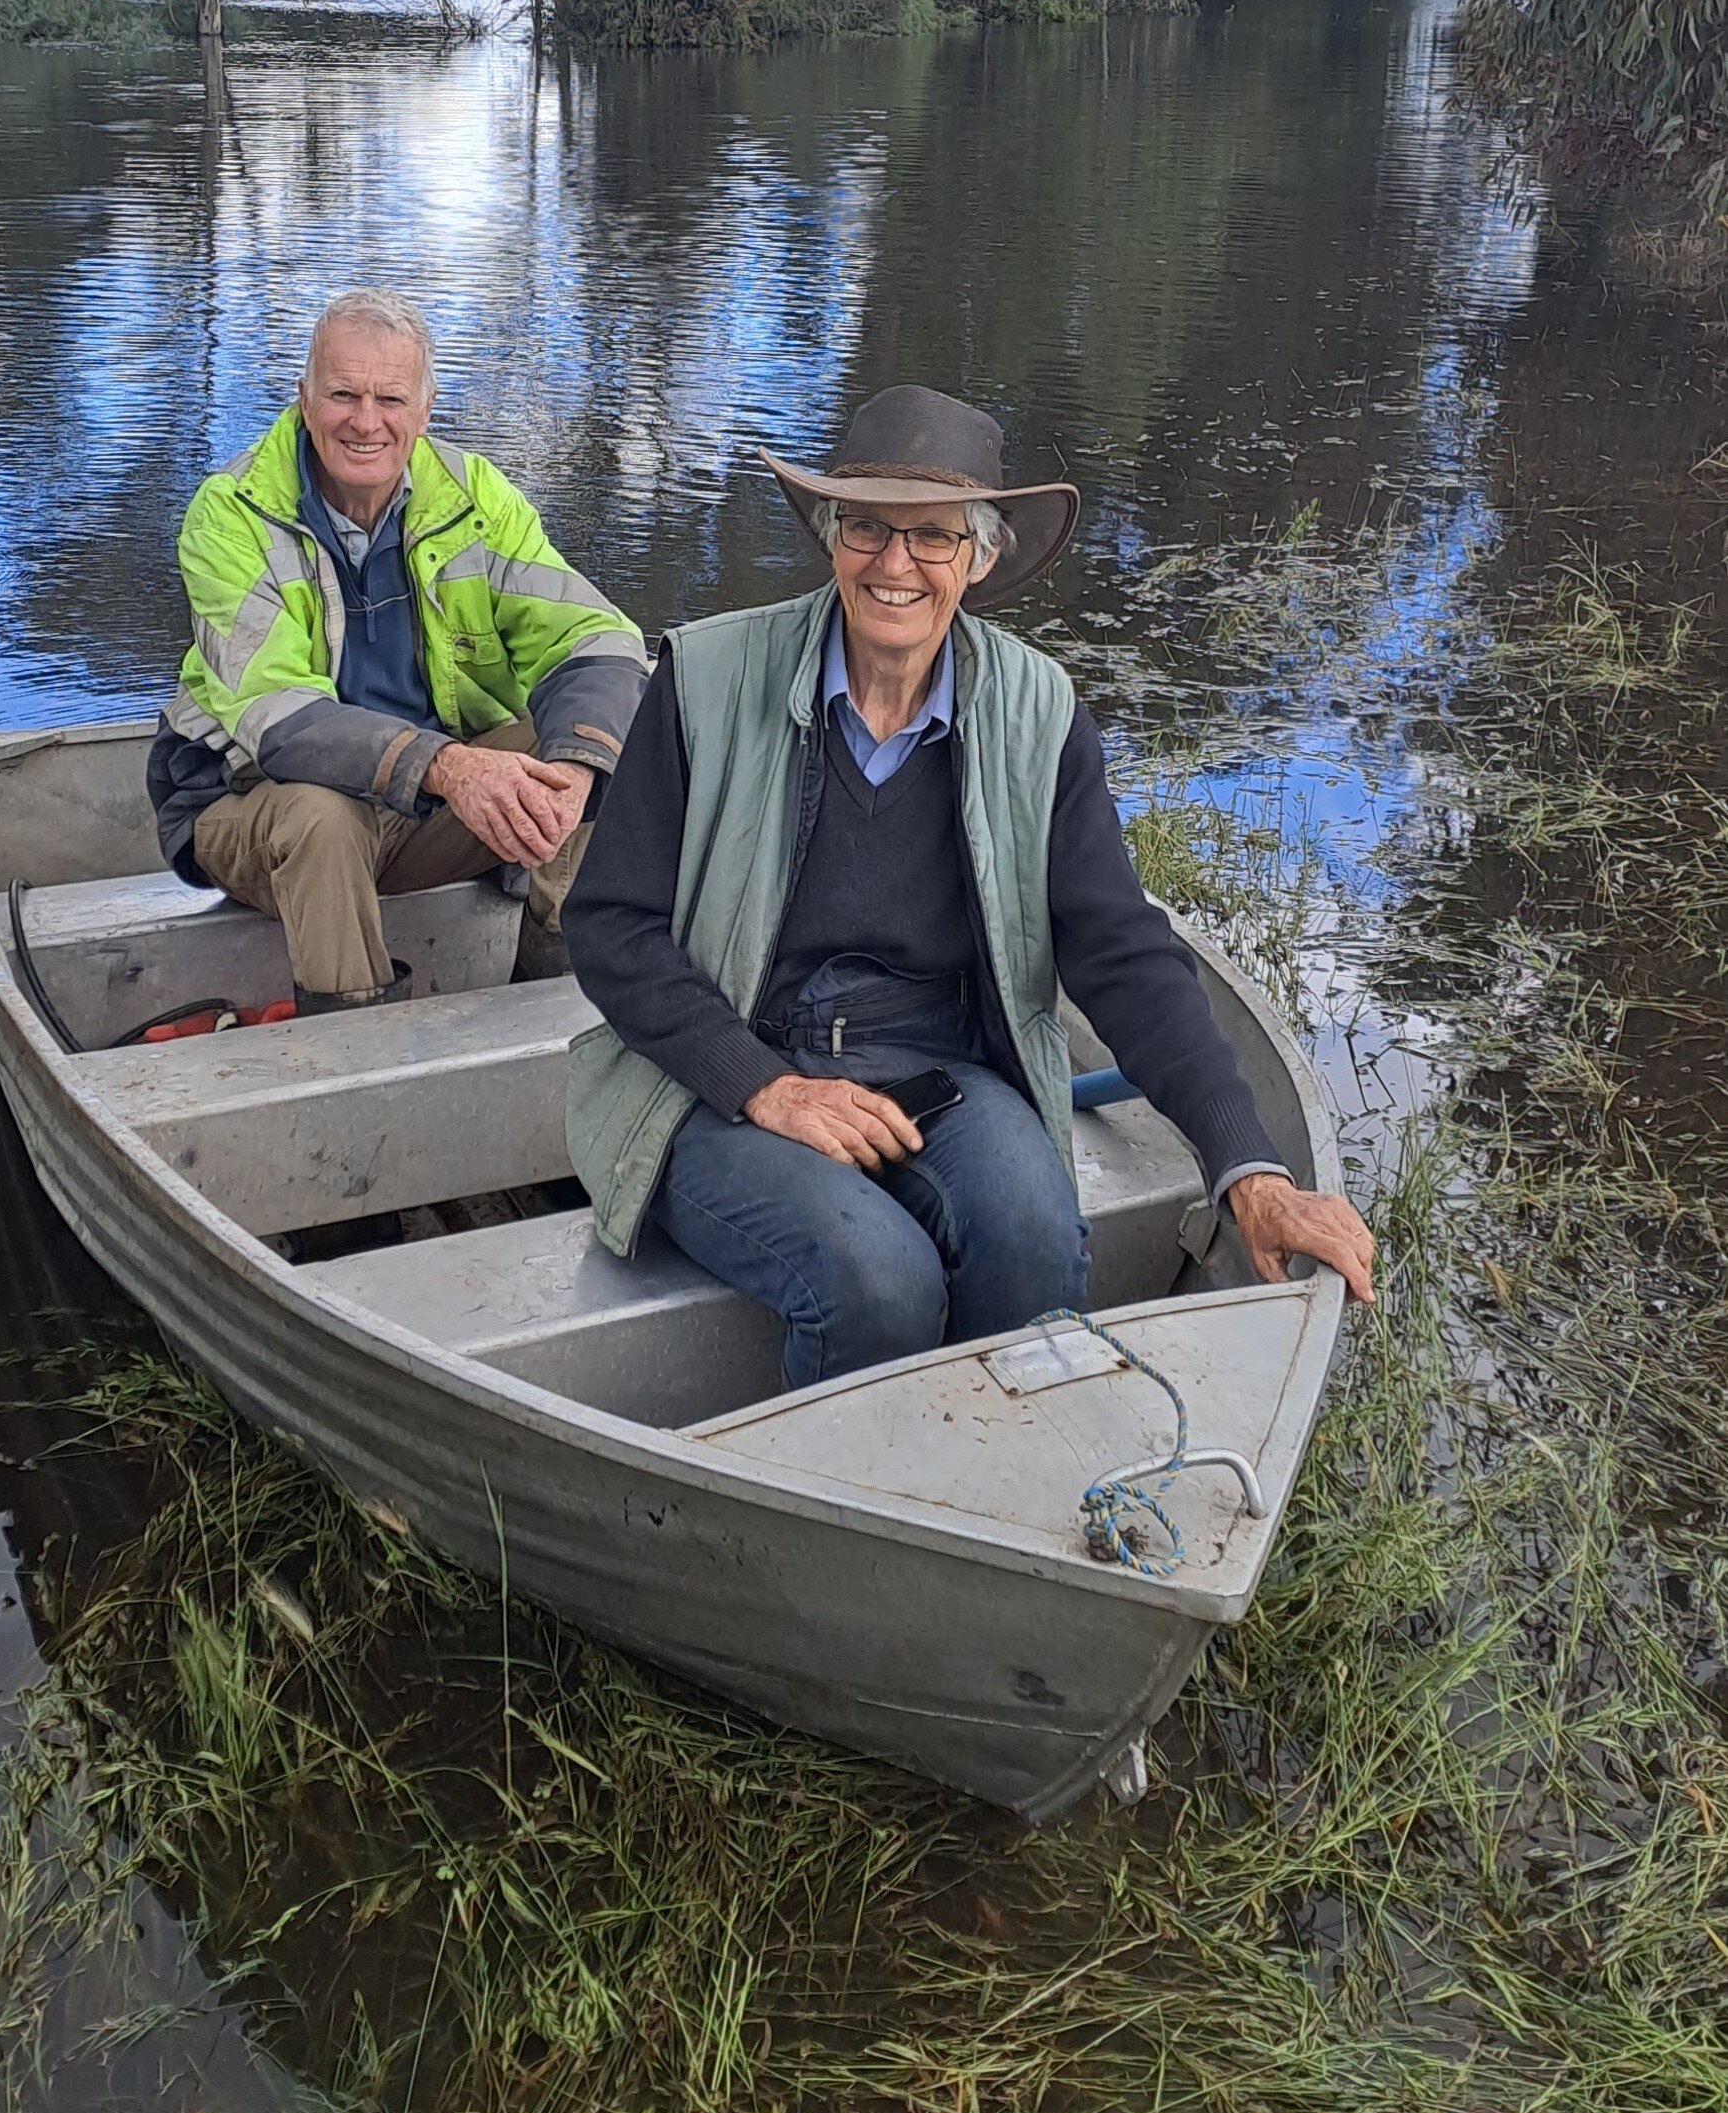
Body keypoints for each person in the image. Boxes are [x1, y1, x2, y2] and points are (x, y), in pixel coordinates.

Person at [562, 383, 1375, 1391]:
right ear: (829, 533)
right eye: (867, 526)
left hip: (943, 1063)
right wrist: (766, 1086)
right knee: (877, 1278)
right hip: (723, 1073)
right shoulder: (704, 680)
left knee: (1035, 1243)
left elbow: (1120, 949)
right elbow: (609, 926)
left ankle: (983, 1492)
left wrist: (1249, 1167)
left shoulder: (1039, 711)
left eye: (933, 537)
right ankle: (841, 1519)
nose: (894, 565)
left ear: (981, 557)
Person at [148, 291, 647, 1009]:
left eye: (390, 397)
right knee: (322, 817)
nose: (365, 421)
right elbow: (280, 718)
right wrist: (450, 768)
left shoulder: (476, 495)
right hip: (246, 802)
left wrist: (571, 767)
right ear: (303, 397)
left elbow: (593, 637)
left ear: (425, 407)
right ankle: (355, 1045)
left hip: (418, 804)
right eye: (343, 394)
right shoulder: (228, 515)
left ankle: (553, 996)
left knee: (602, 739)